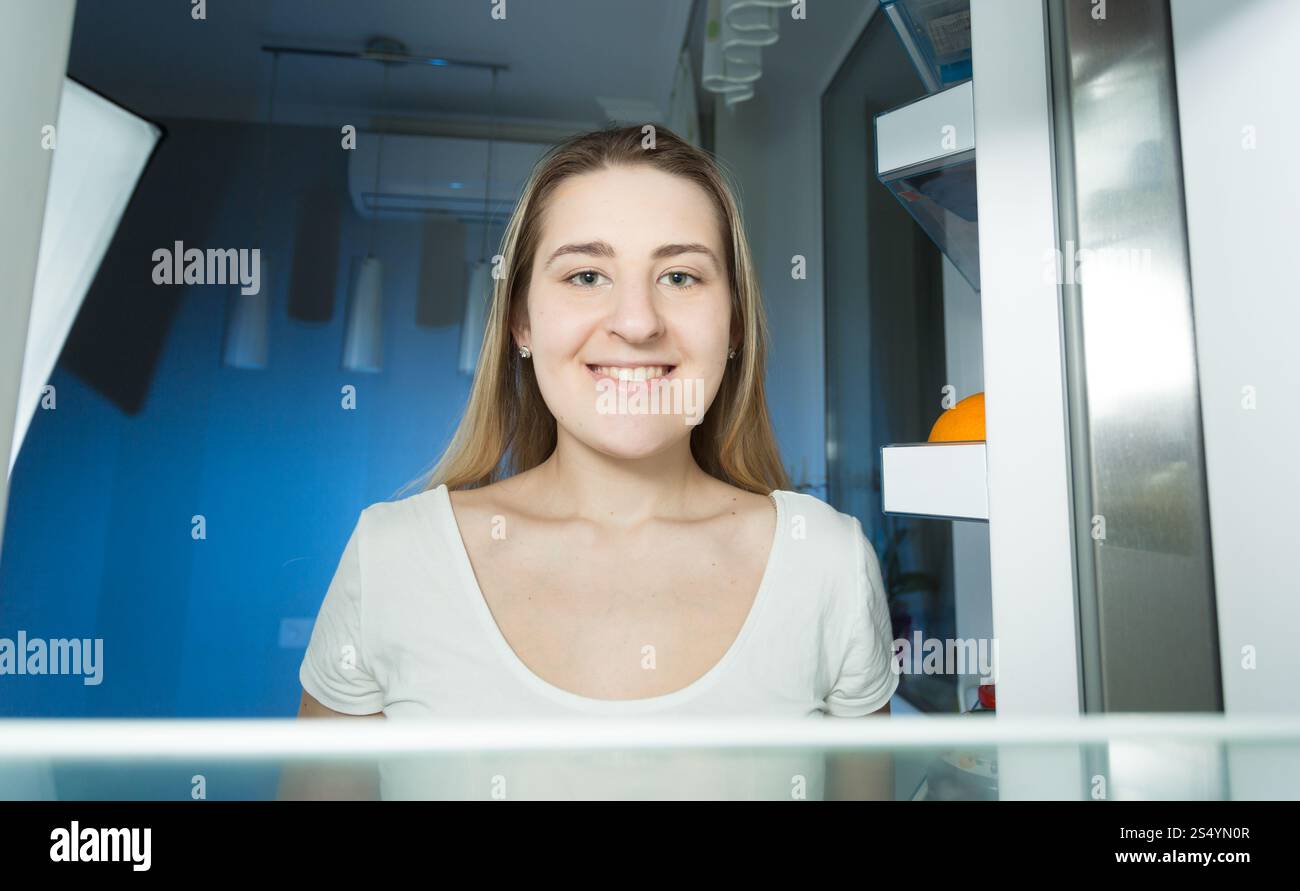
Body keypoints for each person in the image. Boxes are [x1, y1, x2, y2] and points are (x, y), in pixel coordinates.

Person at [284, 124, 897, 801]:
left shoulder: (827, 564)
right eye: (585, 275)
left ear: (735, 327)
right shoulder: (392, 556)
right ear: (520, 320)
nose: (636, 322)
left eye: (679, 275)